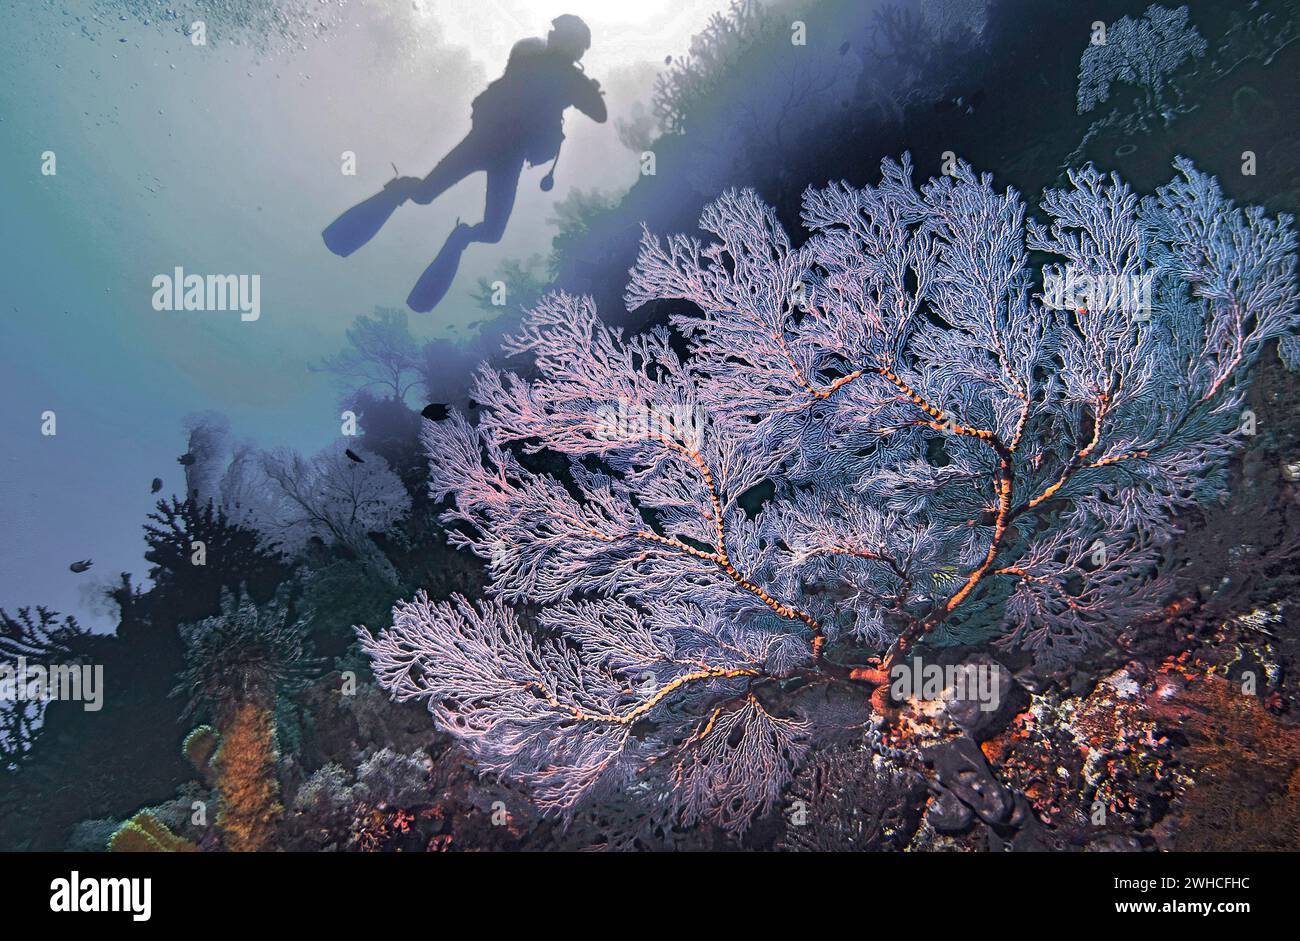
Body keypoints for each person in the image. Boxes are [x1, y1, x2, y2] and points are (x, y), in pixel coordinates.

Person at [323, 15, 606, 313]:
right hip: (501, 154)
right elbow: (598, 113)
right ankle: (456, 234)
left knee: (425, 196)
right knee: (484, 227)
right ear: (572, 45)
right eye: (579, 48)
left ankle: (408, 197)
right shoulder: (567, 77)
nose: (578, 53)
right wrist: (587, 89)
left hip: (487, 146)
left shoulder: (533, 57)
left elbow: (525, 71)